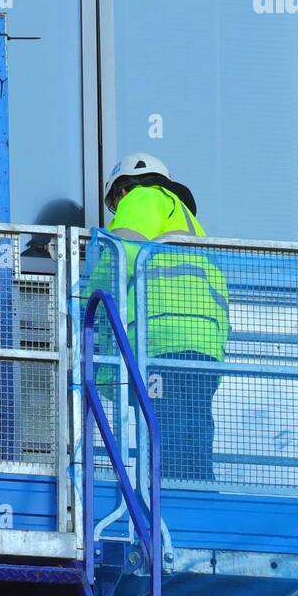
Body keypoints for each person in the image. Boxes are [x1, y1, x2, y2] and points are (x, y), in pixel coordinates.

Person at [88, 152, 229, 481]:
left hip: (162, 340)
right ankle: (199, 497)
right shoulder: (194, 226)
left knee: (161, 427)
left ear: (122, 190)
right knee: (194, 430)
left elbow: (118, 254)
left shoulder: (142, 197)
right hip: (204, 348)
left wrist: (81, 300)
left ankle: (165, 501)